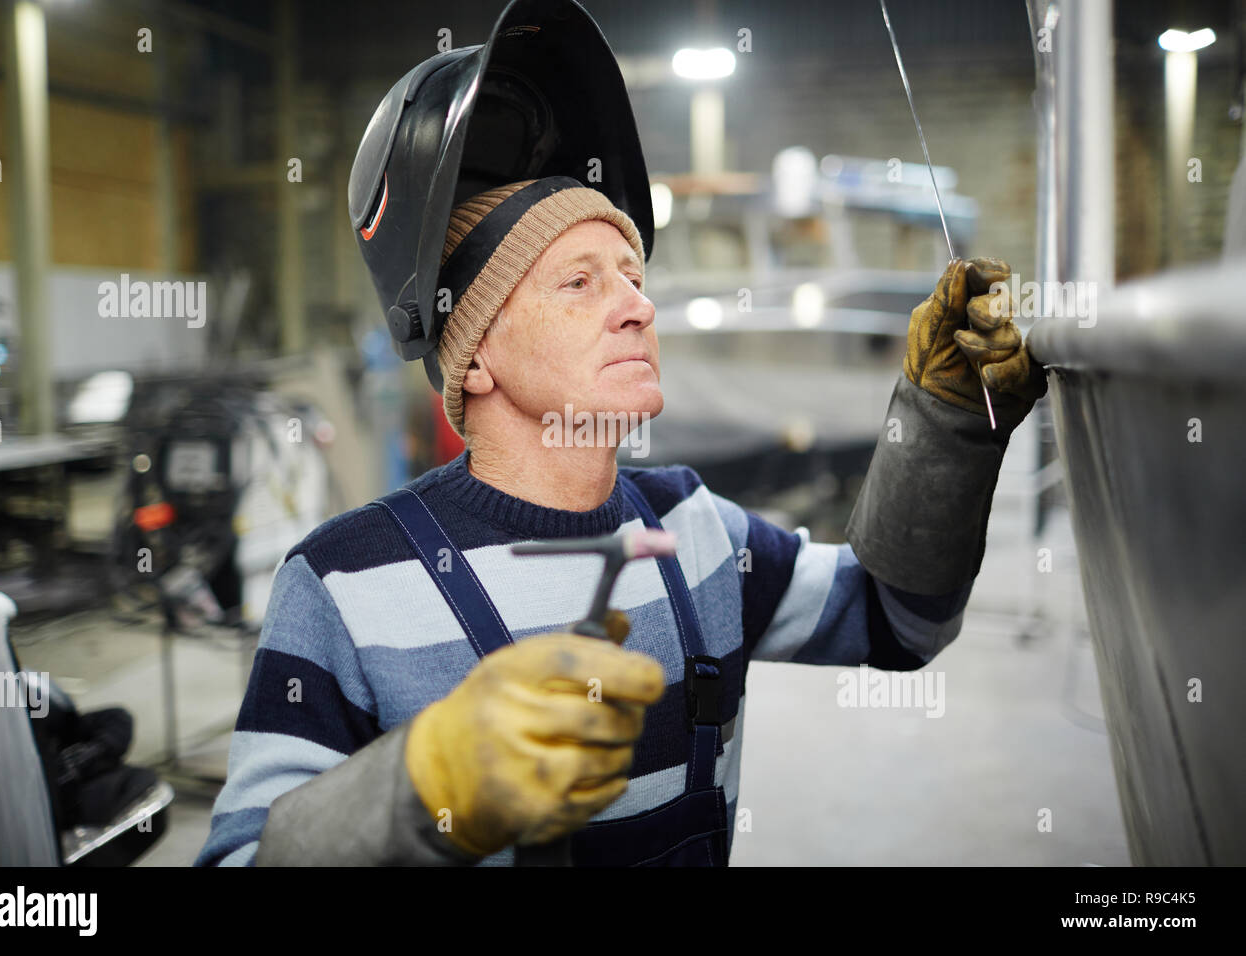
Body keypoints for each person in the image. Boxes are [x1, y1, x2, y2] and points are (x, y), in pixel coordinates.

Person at [195, 0, 1046, 867]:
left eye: (633, 276)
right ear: (475, 353)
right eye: (579, 283)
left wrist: (943, 429)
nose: (638, 307)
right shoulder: (343, 584)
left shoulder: (697, 530)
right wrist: (416, 784)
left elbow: (898, 621)